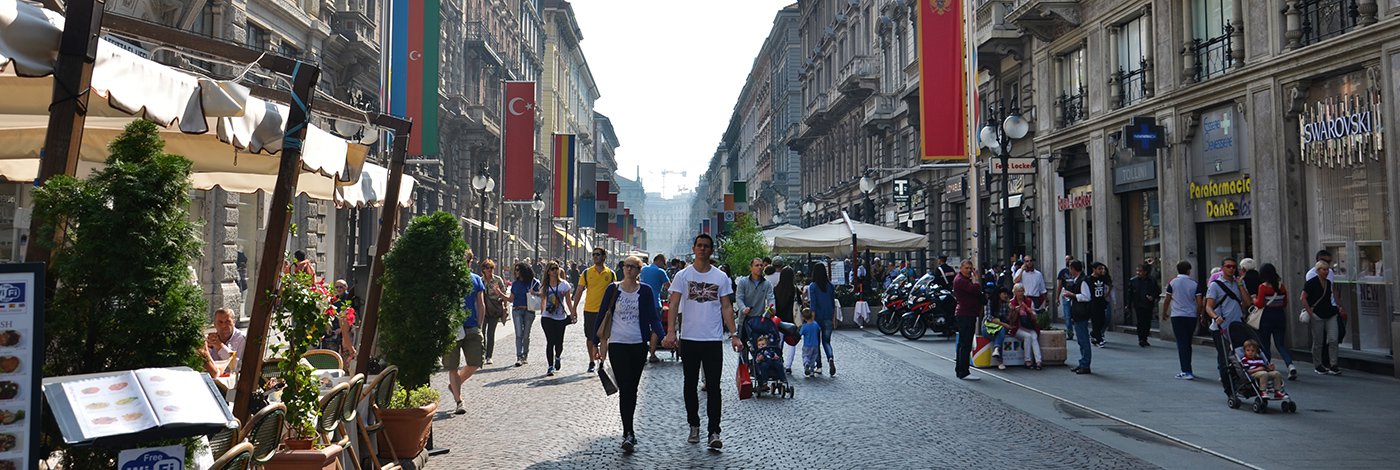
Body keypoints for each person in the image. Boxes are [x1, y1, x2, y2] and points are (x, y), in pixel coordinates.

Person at [661, 233, 741, 450]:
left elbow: (726, 306)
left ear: (711, 250)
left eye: (706, 246)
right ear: (694, 248)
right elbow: (674, 303)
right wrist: (671, 332)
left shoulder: (721, 277)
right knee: (689, 384)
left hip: (713, 338)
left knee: (714, 386)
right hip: (689, 337)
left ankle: (714, 431)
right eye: (699, 246)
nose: (703, 249)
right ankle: (694, 424)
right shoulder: (682, 276)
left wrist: (734, 334)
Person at [596, 256, 667, 453]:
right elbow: (602, 315)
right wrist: (596, 342)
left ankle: (629, 431)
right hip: (618, 345)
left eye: (632, 267)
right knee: (626, 387)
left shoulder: (645, 291)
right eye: (625, 266)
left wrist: (664, 337)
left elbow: (653, 317)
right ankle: (628, 432)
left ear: (638, 270)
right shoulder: (613, 289)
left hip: (638, 345)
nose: (627, 269)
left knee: (632, 389)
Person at [446, 250, 488, 415]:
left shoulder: (476, 280)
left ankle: (455, 384)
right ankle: (459, 401)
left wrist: (479, 323)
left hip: (471, 326)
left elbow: (481, 303)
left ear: (470, 262)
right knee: (452, 365)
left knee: (476, 362)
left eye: (466, 260)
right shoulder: (450, 280)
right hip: (453, 326)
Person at [1205, 257, 1252, 397]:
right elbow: (1208, 306)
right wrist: (1215, 317)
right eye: (1228, 266)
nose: (1231, 269)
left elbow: (1248, 303)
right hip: (1220, 328)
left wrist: (1240, 286)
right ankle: (1229, 390)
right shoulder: (1215, 285)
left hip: (1237, 326)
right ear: (1222, 268)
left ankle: (1242, 384)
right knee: (1225, 359)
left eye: (1233, 267)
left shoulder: (1239, 283)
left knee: (1240, 357)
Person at [573, 248, 617, 374]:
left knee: (604, 337)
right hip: (590, 310)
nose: (595, 257)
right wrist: (574, 308)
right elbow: (579, 290)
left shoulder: (611, 274)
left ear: (604, 257)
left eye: (598, 254)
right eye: (594, 255)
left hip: (605, 312)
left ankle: (602, 362)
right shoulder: (587, 273)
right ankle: (591, 361)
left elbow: (614, 293)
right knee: (590, 338)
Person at [1253, 263, 1297, 380]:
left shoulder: (1263, 287)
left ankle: (1267, 367)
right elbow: (1284, 302)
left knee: (1265, 345)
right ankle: (1290, 365)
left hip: (1266, 317)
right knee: (1280, 344)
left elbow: (1260, 304)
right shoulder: (1281, 286)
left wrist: (1254, 300)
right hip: (1280, 316)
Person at [1161, 261, 1201, 380]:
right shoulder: (1194, 283)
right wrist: (1199, 313)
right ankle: (1188, 368)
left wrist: (1164, 313)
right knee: (1187, 342)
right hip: (1191, 316)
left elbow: (1167, 299)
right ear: (1189, 270)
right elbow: (1199, 301)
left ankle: (1186, 370)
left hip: (1177, 315)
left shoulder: (1173, 282)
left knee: (1182, 342)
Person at [534, 261, 575, 376]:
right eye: (552, 269)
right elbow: (542, 300)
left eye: (556, 268)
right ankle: (550, 366)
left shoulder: (564, 285)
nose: (555, 270)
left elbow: (568, 301)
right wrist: (542, 314)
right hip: (547, 317)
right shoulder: (544, 286)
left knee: (559, 342)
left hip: (560, 317)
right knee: (550, 341)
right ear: (548, 271)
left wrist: (572, 313)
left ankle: (557, 357)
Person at [1302, 261, 1343, 376]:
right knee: (1318, 341)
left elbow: (1332, 295)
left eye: (1327, 270)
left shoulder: (1328, 283)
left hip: (1330, 312)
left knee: (1333, 339)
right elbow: (1303, 298)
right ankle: (1318, 365)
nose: (1326, 272)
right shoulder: (1310, 283)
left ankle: (1333, 364)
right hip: (1317, 314)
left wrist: (1339, 306)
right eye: (1323, 269)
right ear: (1317, 271)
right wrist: (1310, 313)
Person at [804, 263, 838, 377]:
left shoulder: (813, 286)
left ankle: (819, 366)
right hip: (828, 316)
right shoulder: (830, 286)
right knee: (827, 342)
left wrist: (812, 320)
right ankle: (830, 358)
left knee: (816, 343)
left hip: (817, 317)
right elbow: (833, 304)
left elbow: (813, 304)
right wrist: (834, 319)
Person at [952, 260, 983, 380]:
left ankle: (960, 369)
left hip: (966, 313)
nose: (969, 270)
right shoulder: (961, 280)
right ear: (961, 268)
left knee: (963, 344)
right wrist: (976, 279)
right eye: (966, 268)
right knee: (965, 344)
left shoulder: (962, 279)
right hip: (965, 314)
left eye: (971, 268)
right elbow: (975, 289)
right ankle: (963, 371)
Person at [1061, 260, 1093, 374]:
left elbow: (1086, 297)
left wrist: (1072, 295)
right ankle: (1082, 362)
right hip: (1078, 312)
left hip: (1081, 313)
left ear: (1074, 269)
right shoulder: (1078, 280)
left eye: (1070, 269)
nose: (1069, 271)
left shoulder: (1083, 281)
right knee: (1081, 340)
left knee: (1083, 339)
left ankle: (1085, 364)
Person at [640, 254, 671, 363]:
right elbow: (669, 287)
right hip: (655, 303)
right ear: (660, 261)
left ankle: (641, 354)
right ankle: (652, 355)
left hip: (641, 302)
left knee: (642, 327)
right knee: (655, 329)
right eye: (664, 263)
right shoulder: (660, 272)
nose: (664, 266)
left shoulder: (643, 269)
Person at [198, 308, 247, 377]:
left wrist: (220, 347)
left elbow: (237, 366)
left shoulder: (242, 339)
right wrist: (207, 349)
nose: (224, 326)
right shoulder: (210, 339)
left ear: (233, 322)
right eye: (220, 322)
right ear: (215, 325)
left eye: (227, 322)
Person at [480, 260, 509, 366]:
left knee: (490, 333)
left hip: (495, 310)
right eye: (487, 268)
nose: (490, 270)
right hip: (483, 310)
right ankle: (482, 355)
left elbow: (504, 294)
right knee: (481, 334)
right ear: (483, 269)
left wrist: (505, 308)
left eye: (491, 268)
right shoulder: (480, 281)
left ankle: (489, 356)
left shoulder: (498, 280)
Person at [510, 263, 539, 367]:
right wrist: (499, 293)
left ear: (523, 271)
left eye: (518, 270)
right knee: (518, 335)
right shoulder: (515, 284)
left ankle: (525, 355)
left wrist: (534, 293)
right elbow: (511, 299)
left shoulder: (534, 282)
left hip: (529, 311)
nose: (516, 272)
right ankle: (519, 357)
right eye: (515, 270)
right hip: (517, 310)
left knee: (526, 335)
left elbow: (542, 294)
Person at [1009, 284, 1043, 369]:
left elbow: (1034, 317)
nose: (1020, 293)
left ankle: (1038, 361)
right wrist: (1016, 312)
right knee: (1028, 337)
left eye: (1022, 291)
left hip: (1028, 326)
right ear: (1015, 292)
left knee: (1034, 336)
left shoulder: (1029, 301)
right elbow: (1011, 320)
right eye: (1018, 291)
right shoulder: (1011, 303)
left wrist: (1029, 311)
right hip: (1017, 327)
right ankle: (1027, 360)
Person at [1126, 264, 1161, 347]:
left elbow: (1157, 291)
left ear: (1145, 272)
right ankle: (1141, 338)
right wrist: (1128, 305)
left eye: (1140, 271)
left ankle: (1145, 337)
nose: (1138, 273)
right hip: (1138, 304)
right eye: (1137, 271)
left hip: (1148, 304)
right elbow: (1129, 294)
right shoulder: (1133, 281)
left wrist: (1152, 297)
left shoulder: (1151, 280)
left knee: (1147, 322)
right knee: (1140, 321)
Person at [323, 280, 357, 362]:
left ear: (346, 288)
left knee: (346, 353)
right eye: (337, 287)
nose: (338, 289)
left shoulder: (349, 299)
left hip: (346, 331)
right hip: (335, 331)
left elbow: (352, 316)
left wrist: (342, 329)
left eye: (341, 287)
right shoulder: (334, 300)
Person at [773, 266, 799, 372]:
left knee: (779, 343)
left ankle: (778, 361)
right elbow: (799, 304)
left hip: (778, 320)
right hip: (790, 320)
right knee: (792, 343)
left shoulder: (776, 289)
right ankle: (788, 366)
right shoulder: (794, 290)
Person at [983, 288, 1015, 370]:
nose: (1006, 296)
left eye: (1007, 294)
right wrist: (1003, 324)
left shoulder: (1005, 304)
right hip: (988, 327)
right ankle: (999, 361)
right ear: (998, 294)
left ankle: (996, 350)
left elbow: (1008, 319)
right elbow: (989, 318)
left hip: (1000, 328)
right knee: (1001, 333)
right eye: (1004, 294)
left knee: (1001, 332)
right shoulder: (990, 302)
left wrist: (1012, 310)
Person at [1087, 262, 1112, 348]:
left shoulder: (1103, 278)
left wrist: (1107, 293)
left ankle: (1094, 334)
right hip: (1093, 303)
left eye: (1102, 269)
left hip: (1101, 301)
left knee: (1102, 320)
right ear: (1094, 269)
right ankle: (1098, 339)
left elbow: (1110, 283)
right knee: (1096, 321)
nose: (1101, 270)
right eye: (1099, 269)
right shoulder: (1089, 279)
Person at [1057, 255, 1076, 340]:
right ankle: (1070, 333)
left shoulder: (1076, 271)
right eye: (1066, 260)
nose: (1067, 261)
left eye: (1069, 259)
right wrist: (1057, 297)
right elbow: (1060, 285)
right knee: (1067, 315)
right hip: (1066, 295)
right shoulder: (1062, 272)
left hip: (1075, 295)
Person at [799, 308, 821, 377]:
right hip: (815, 345)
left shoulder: (804, 326)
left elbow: (800, 333)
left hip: (807, 345)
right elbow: (818, 330)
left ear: (803, 318)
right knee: (813, 358)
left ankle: (806, 364)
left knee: (805, 355)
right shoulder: (815, 324)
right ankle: (811, 371)